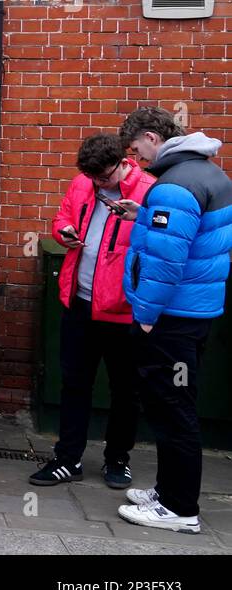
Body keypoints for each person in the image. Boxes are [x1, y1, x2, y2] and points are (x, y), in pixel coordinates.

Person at [115, 107, 231, 534]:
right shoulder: (207, 173)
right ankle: (168, 491)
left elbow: (166, 261)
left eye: (136, 150)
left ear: (150, 136)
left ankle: (180, 508)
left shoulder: (176, 185)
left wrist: (145, 315)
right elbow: (191, 240)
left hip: (170, 319)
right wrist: (140, 216)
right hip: (194, 312)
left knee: (173, 409)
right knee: (174, 405)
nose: (137, 160)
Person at [29, 134, 154, 489]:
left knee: (125, 390)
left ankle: (118, 459)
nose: (98, 183)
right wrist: (63, 232)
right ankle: (68, 458)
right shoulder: (83, 182)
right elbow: (63, 217)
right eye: (92, 177)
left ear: (122, 161)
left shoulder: (148, 189)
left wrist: (140, 216)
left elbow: (160, 240)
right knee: (74, 384)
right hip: (80, 301)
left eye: (104, 176)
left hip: (123, 308)